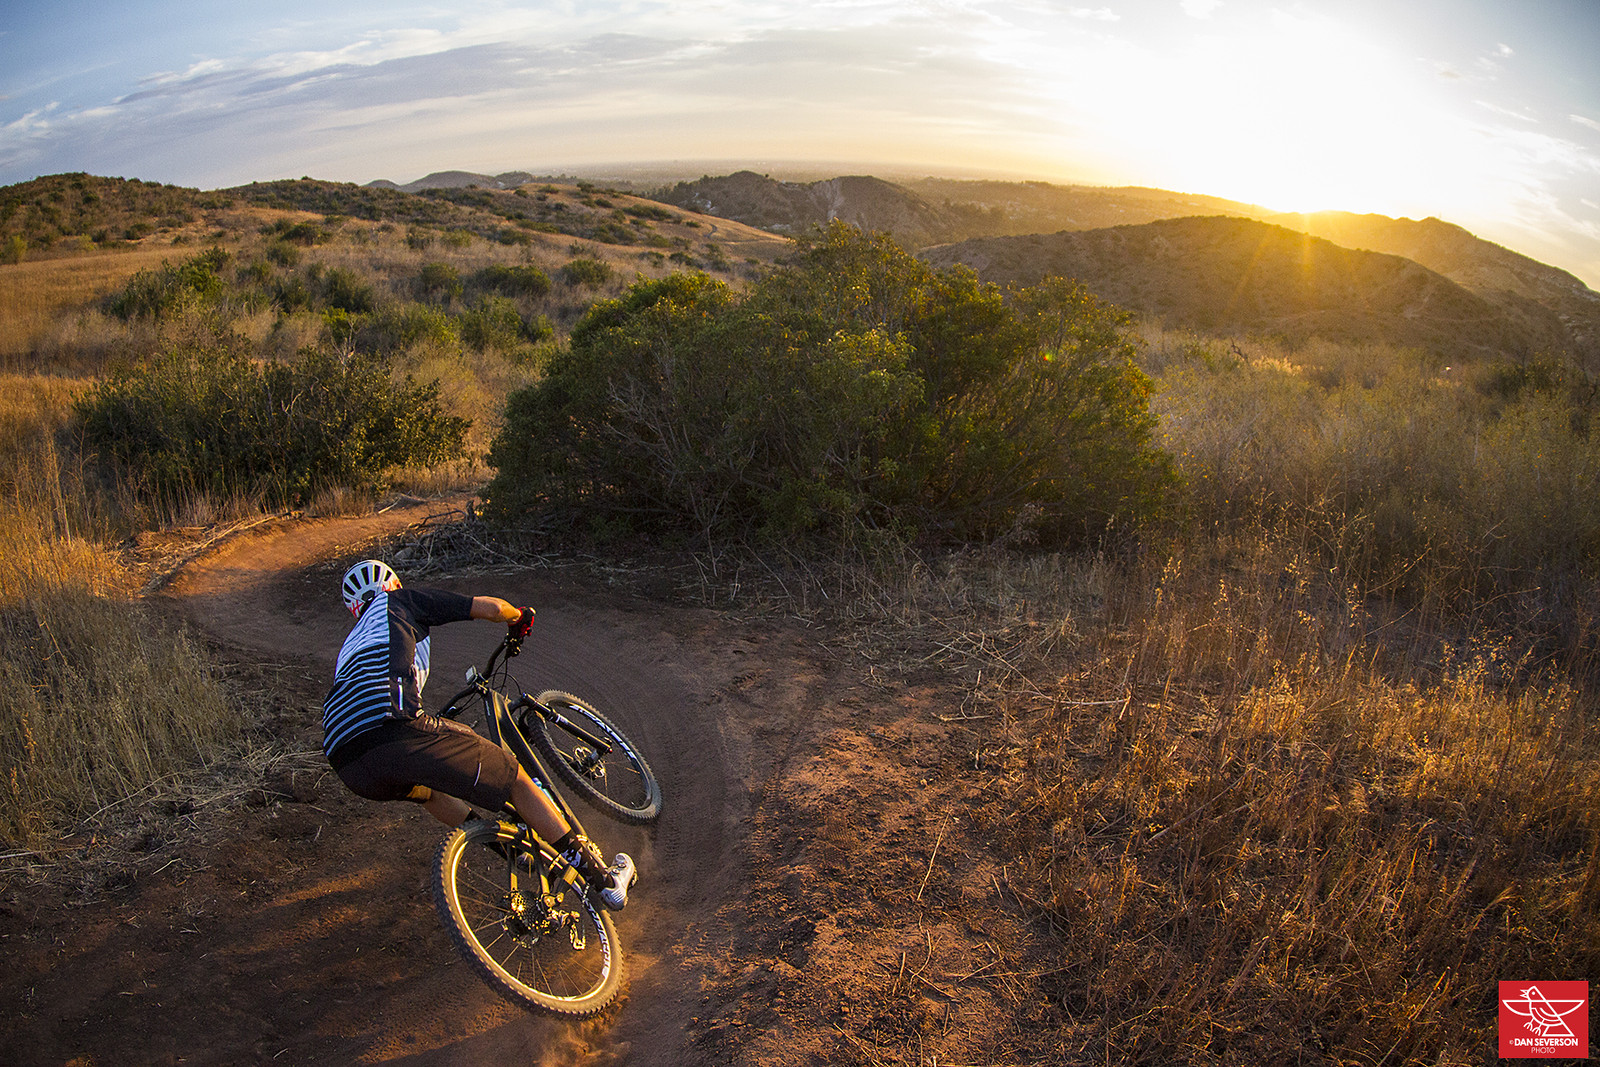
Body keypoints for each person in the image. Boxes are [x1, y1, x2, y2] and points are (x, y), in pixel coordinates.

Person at [321, 558, 636, 909]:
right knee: (514, 777)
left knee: (431, 793)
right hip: (394, 728)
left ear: (353, 610)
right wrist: (517, 619)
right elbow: (487, 608)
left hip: (346, 760)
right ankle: (605, 881)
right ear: (393, 586)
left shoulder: (350, 646)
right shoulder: (399, 602)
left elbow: (368, 695)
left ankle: (512, 852)